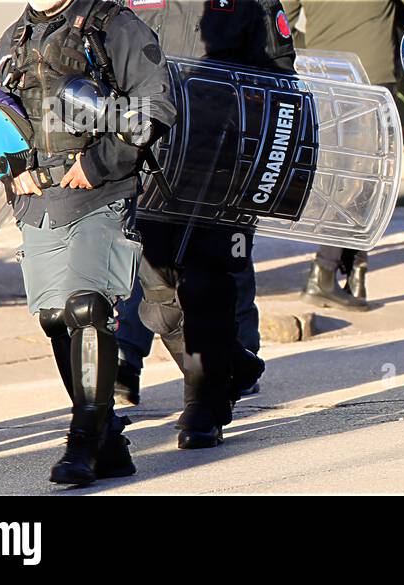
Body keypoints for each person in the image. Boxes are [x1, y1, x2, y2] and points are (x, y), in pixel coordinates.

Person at [0, 0, 176, 483]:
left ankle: (84, 445)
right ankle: (109, 440)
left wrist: (98, 163)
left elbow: (156, 107)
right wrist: (11, 169)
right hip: (38, 200)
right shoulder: (14, 39)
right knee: (55, 320)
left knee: (88, 308)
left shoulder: (114, 26)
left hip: (101, 193)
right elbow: (1, 120)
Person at [121, 0, 292, 447]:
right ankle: (234, 364)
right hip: (152, 162)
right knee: (158, 299)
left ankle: (204, 405)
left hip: (221, 163)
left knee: (206, 285)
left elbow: (280, 76)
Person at [284, 0, 404, 312]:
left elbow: (286, 16)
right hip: (370, 74)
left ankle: (353, 274)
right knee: (364, 178)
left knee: (337, 176)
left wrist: (317, 41)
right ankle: (326, 272)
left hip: (322, 71)